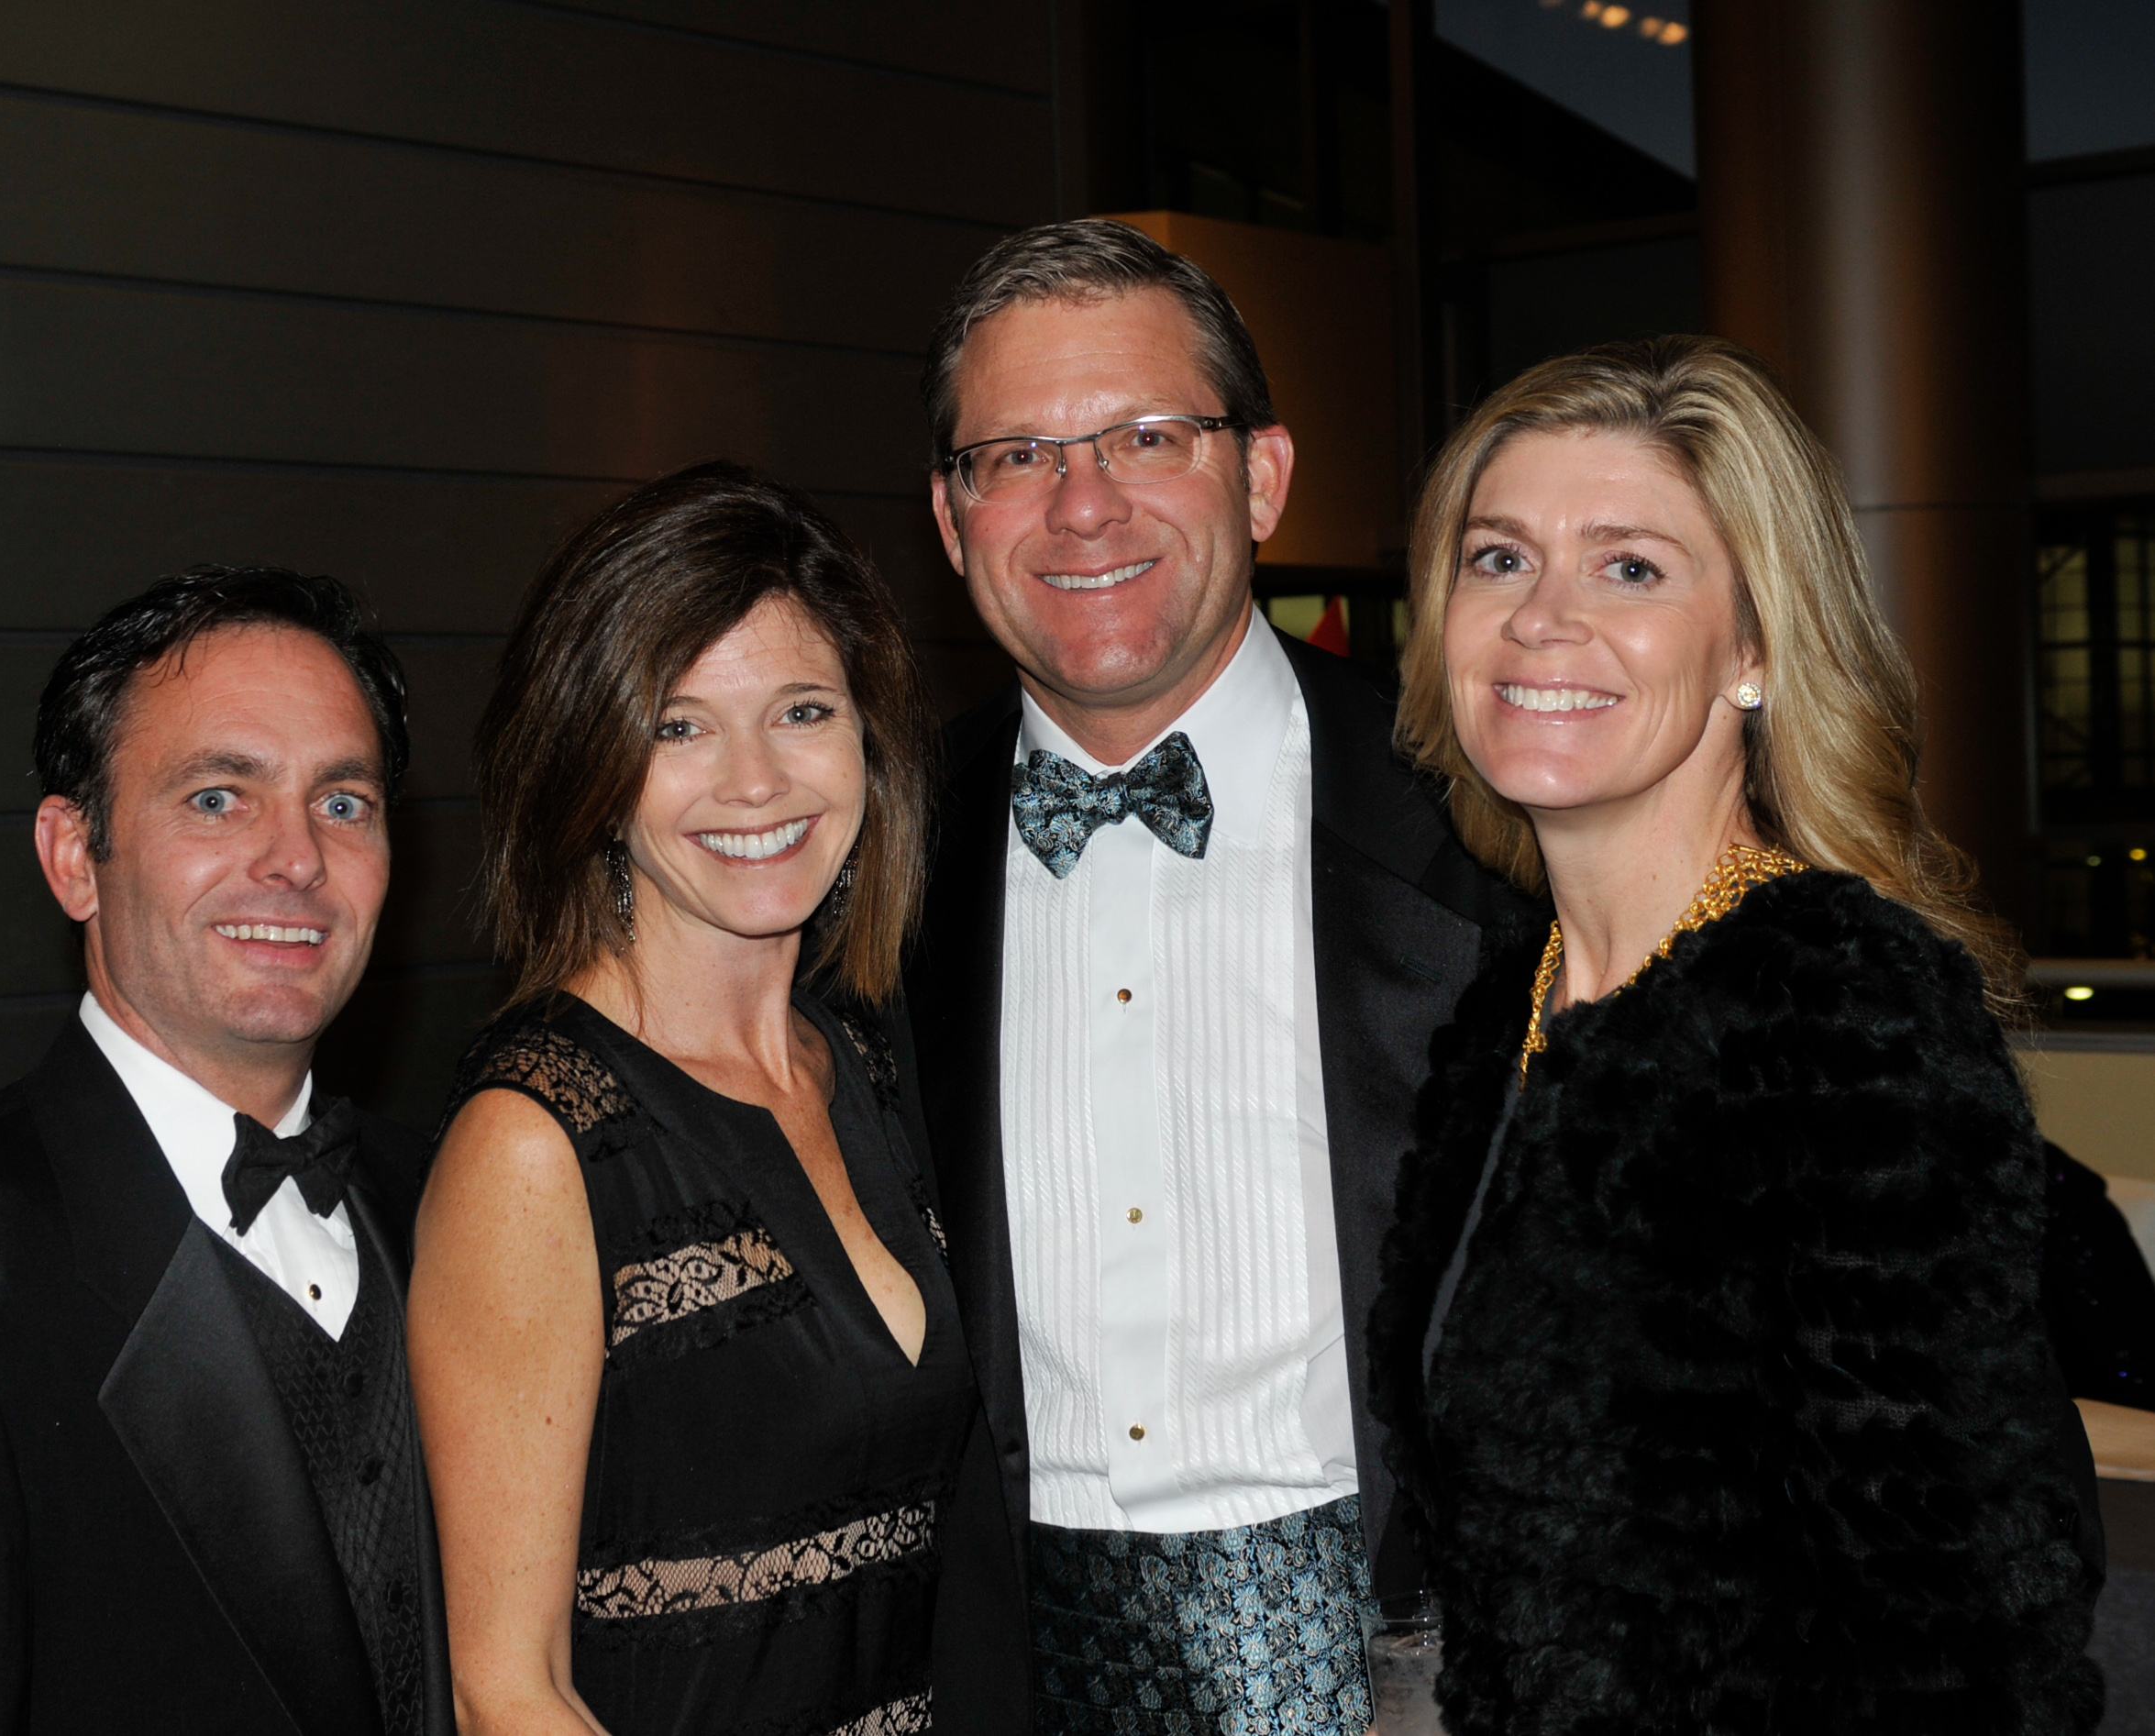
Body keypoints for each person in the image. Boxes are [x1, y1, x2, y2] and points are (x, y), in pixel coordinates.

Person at [1366, 336, 2106, 1732]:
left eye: (1629, 566)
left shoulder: (1834, 1010)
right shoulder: (1499, 1018)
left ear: (1756, 646)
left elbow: (1960, 1625)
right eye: (1498, 557)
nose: (1540, 617)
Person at [901, 218, 1526, 1733]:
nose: (1082, 503)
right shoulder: (865, 865)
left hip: (1415, 1660)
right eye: (1017, 455)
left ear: (1260, 474)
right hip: (1000, 1670)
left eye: (1146, 435)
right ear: (948, 516)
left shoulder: (1492, 829)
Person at [0, 568, 454, 1736]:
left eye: (344, 802)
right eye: (218, 798)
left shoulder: (455, 1204)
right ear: (75, 856)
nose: (297, 859)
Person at [412, 462, 987, 1736]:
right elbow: (504, 1689)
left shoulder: (867, 1069)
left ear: (868, 743)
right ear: (594, 770)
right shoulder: (535, 1140)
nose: (753, 780)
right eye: (679, 725)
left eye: (800, 711)